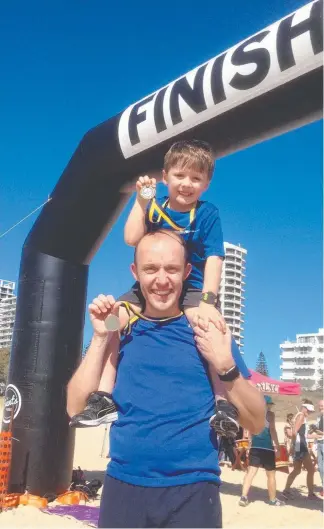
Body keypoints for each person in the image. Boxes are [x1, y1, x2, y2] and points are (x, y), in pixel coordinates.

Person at [67, 230, 266, 528]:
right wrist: (98, 337)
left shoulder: (207, 329)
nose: (161, 280)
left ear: (186, 272)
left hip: (194, 491)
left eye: (171, 269)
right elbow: (75, 407)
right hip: (124, 488)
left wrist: (225, 365)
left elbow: (256, 421)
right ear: (136, 272)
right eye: (151, 269)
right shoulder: (119, 331)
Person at [70, 139, 239, 438]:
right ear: (165, 177)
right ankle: (104, 397)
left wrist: (210, 301)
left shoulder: (207, 213)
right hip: (147, 287)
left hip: (193, 288)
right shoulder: (156, 207)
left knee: (209, 327)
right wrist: (141, 201)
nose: (187, 184)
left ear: (207, 184)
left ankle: (222, 404)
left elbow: (215, 257)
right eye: (180, 175)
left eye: (196, 178)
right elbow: (131, 238)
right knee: (113, 320)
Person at [239, 395, 285, 507]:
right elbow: (273, 430)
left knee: (250, 473)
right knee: (271, 474)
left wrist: (250, 443)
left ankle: (244, 497)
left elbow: (249, 430)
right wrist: (278, 447)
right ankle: (272, 500)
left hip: (255, 446)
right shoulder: (270, 415)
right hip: (267, 447)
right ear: (268, 405)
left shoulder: (254, 415)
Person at [282, 400, 320, 500]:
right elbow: (294, 432)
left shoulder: (301, 416)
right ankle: (311, 494)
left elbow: (302, 434)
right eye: (309, 410)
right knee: (311, 470)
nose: (310, 412)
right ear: (304, 408)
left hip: (299, 447)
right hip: (301, 447)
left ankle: (286, 490)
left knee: (297, 470)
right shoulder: (301, 416)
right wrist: (294, 445)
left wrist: (317, 435)